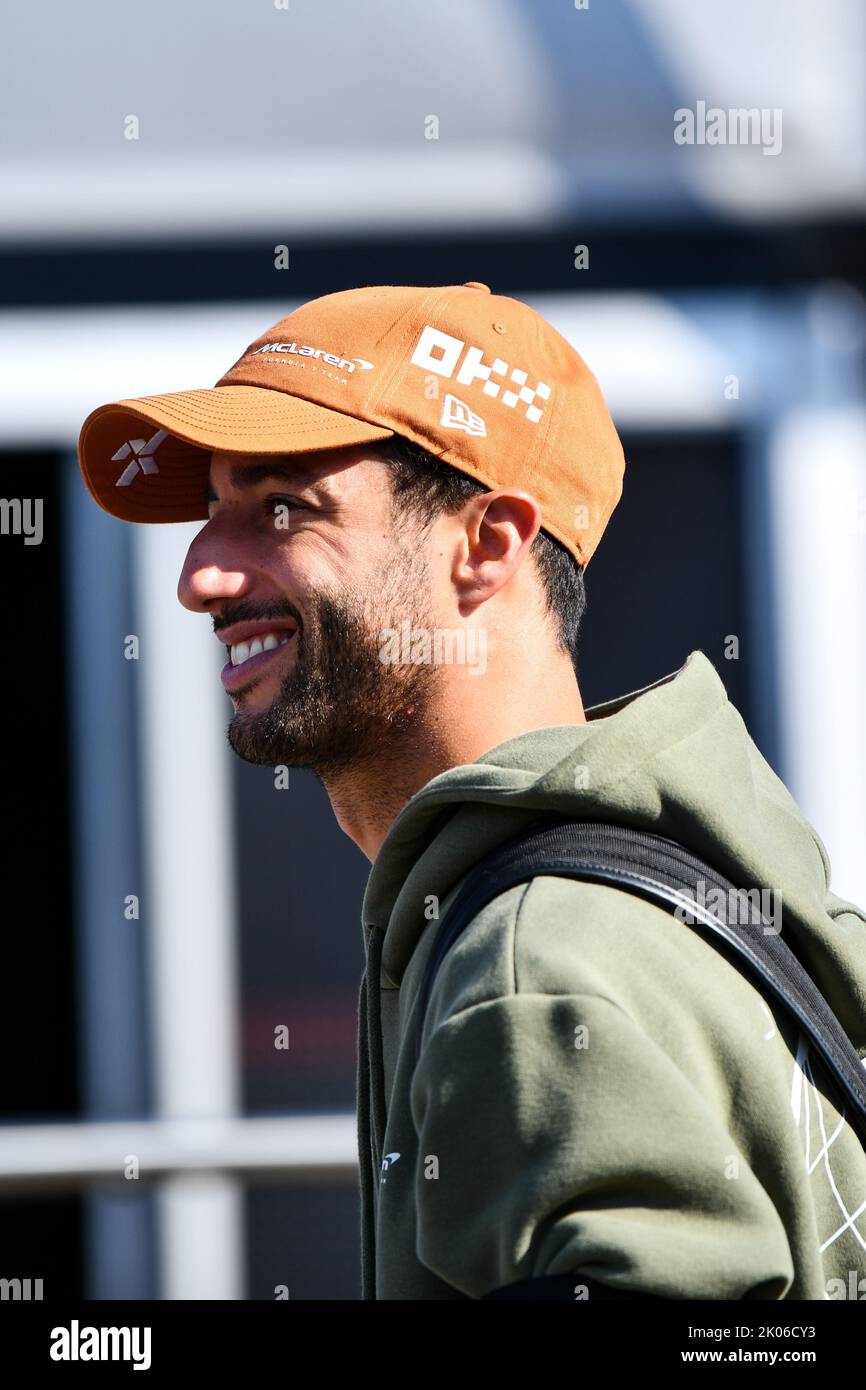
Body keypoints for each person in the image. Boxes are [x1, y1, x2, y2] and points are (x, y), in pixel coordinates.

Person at [78, 280, 866, 1301]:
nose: (199, 574)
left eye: (281, 508)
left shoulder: (532, 955)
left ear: (486, 544)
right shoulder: (689, 898)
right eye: (211, 510)